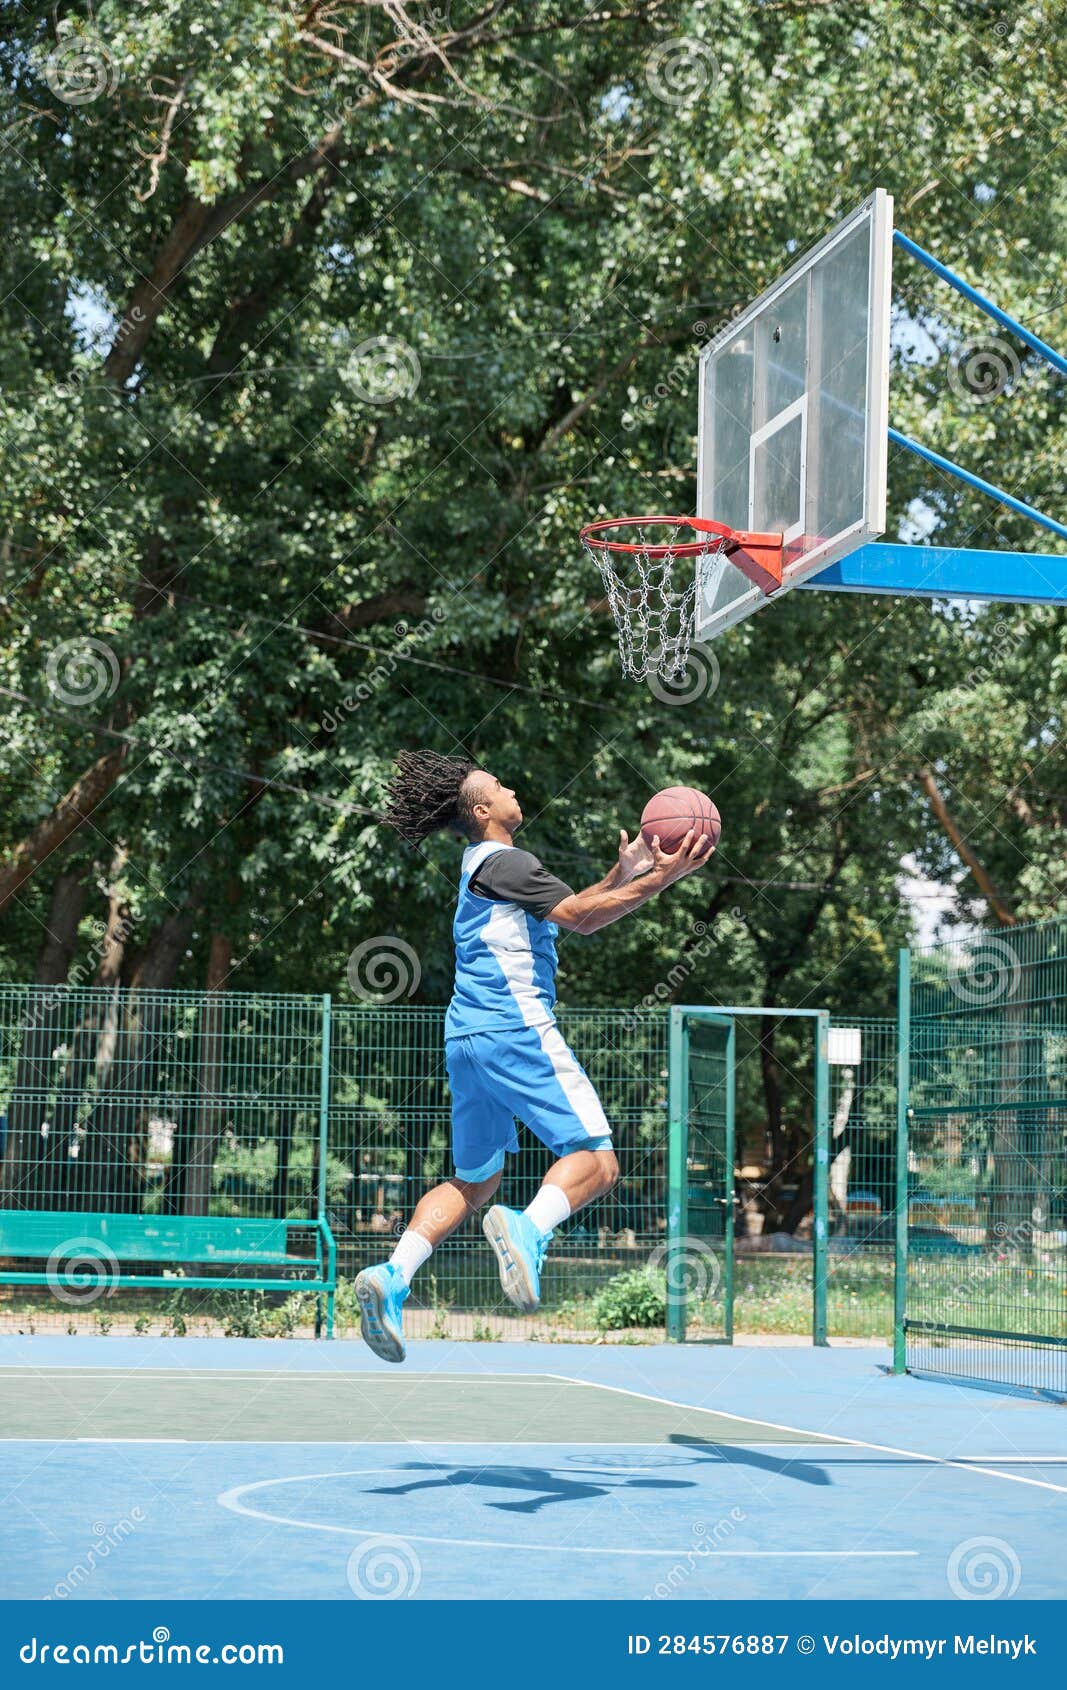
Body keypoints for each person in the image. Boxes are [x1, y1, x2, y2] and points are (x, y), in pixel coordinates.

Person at [354, 750, 715, 1362]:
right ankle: (528, 1226)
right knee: (598, 1161)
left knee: (474, 1179)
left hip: (467, 1039)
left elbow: (574, 902)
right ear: (482, 809)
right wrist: (663, 878)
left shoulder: (488, 866)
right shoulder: (509, 861)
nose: (510, 783)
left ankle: (392, 1277)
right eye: (499, 782)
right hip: (514, 1029)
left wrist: (623, 872)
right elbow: (581, 920)